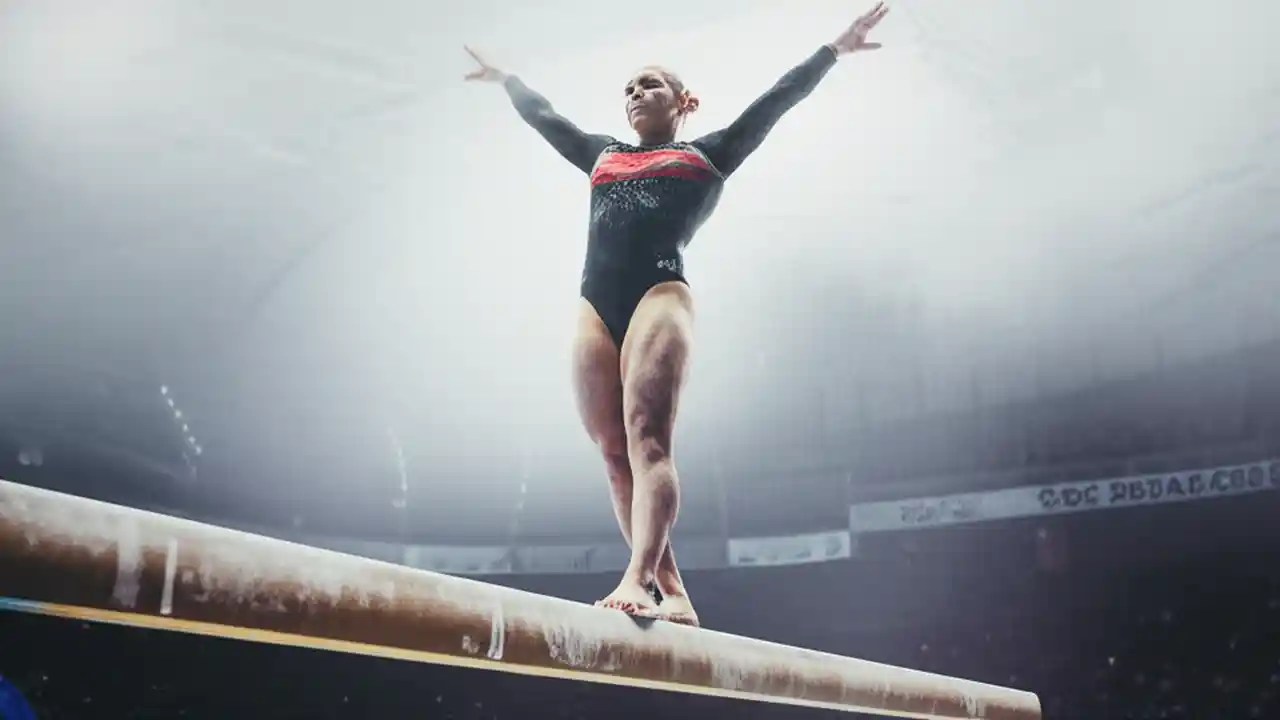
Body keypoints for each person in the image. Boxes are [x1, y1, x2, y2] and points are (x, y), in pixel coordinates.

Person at [465, 3, 889, 626]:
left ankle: (637, 578)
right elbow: (546, 119)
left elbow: (776, 99)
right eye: (630, 88)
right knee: (613, 450)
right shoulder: (600, 154)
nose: (637, 93)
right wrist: (508, 81)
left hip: (659, 294)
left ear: (684, 101)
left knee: (648, 439)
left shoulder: (709, 154)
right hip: (595, 302)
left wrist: (834, 50)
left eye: (651, 84)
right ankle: (673, 591)